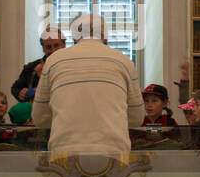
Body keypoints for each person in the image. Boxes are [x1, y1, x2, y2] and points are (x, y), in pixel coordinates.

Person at [31, 13, 143, 157]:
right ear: (105, 37)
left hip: (64, 152)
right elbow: (136, 118)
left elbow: (40, 118)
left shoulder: (53, 61)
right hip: (114, 152)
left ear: (74, 38)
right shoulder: (124, 61)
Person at [11, 28, 66, 103]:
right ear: (43, 48)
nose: (53, 51)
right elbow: (15, 88)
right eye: (48, 47)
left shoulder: (72, 65)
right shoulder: (31, 67)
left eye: (56, 45)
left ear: (64, 45)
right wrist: (21, 93)